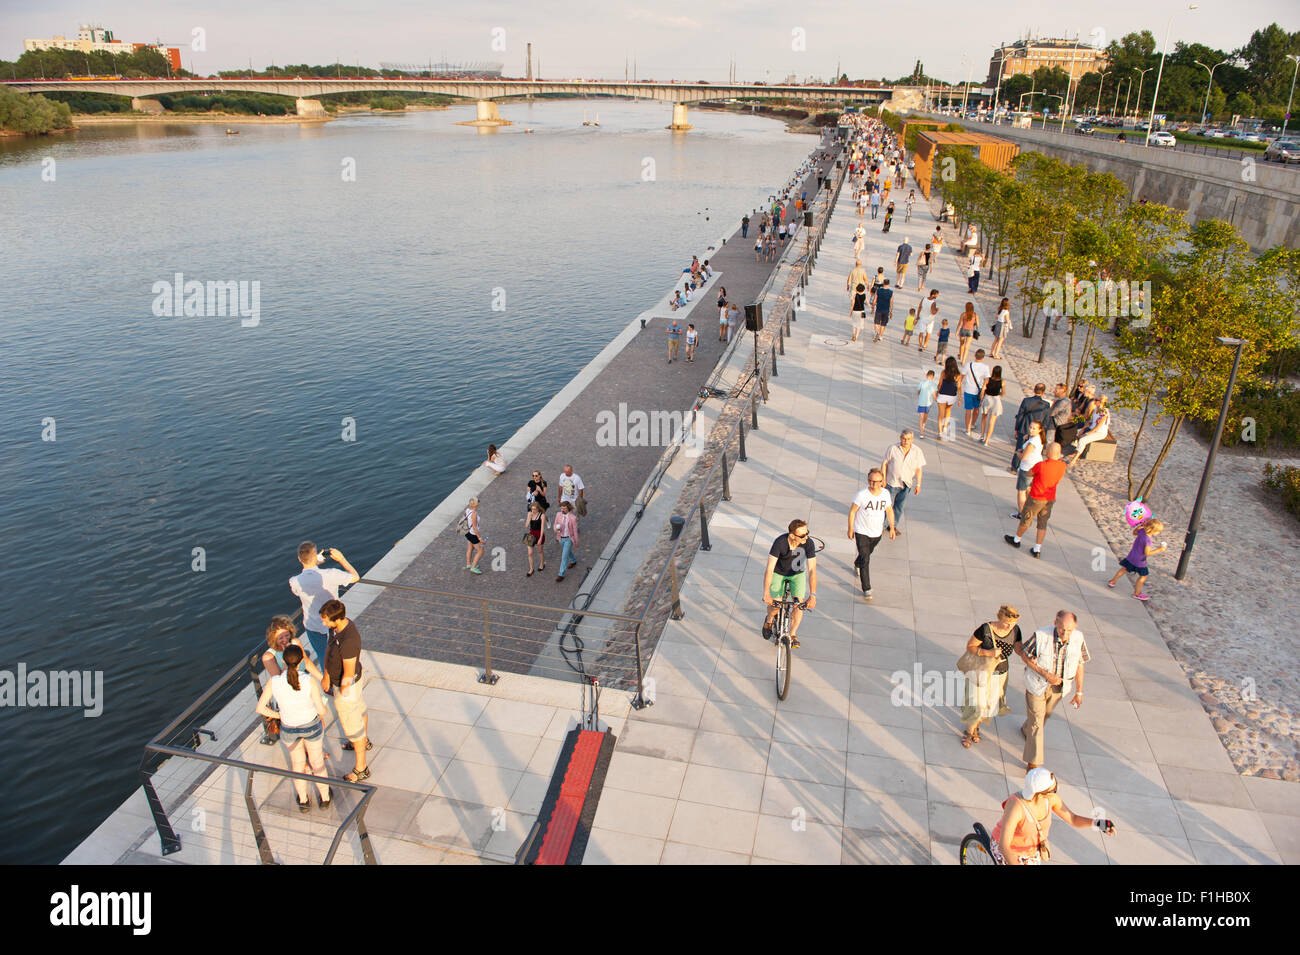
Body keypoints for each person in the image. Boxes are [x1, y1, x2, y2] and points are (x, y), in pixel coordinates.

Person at [255, 644, 333, 811]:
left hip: (289, 728)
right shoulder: (308, 680)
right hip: (311, 725)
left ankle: (304, 801)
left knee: (297, 765)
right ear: (301, 662)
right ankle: (325, 798)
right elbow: (321, 710)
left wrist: (280, 715)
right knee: (317, 762)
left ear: (283, 661)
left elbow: (260, 708)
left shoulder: (274, 682)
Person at [991, 768, 1114, 865]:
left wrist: (1099, 824)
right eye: (1054, 789)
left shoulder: (1050, 799)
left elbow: (1073, 819)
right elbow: (1004, 846)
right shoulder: (1015, 807)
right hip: (1010, 851)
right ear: (1041, 794)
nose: (1057, 789)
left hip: (1031, 851)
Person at [1015, 610, 1089, 769]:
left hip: (1059, 688)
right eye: (1062, 629)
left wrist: (1079, 692)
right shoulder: (1041, 635)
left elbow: (1080, 664)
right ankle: (1033, 764)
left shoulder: (1078, 638)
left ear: (1075, 627)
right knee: (1037, 723)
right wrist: (1045, 674)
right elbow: (1023, 654)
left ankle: (1026, 729)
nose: (1065, 633)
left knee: (1045, 715)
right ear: (1055, 623)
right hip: (1037, 684)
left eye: (1069, 630)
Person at [318, 599, 369, 781]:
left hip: (346, 686)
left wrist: (341, 696)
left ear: (337, 619)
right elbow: (329, 650)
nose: (323, 623)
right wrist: (326, 675)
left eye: (326, 620)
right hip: (340, 682)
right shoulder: (336, 629)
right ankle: (364, 740)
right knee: (359, 710)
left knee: (352, 725)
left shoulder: (349, 641)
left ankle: (361, 768)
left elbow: (348, 672)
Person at [959, 605, 1022, 748]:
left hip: (1000, 673)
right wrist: (989, 653)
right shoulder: (985, 630)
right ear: (999, 618)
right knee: (976, 703)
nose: (1009, 627)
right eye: (1007, 623)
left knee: (990, 704)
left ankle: (975, 727)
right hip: (982, 670)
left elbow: (1018, 648)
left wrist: (1030, 655)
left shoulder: (1016, 631)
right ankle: (969, 732)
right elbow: (970, 646)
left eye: (1013, 624)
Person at [289, 543, 360, 667]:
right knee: (343, 653)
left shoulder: (294, 581)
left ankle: (328, 682)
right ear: (315, 557)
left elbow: (298, 590)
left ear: (299, 559)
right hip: (334, 621)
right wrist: (341, 559)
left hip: (313, 625)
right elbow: (355, 577)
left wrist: (314, 563)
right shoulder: (331, 573)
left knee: (323, 656)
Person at [761, 519, 818, 648]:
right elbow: (769, 569)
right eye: (802, 535)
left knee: (799, 604)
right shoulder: (780, 543)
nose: (806, 537)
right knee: (775, 605)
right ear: (792, 535)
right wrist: (766, 593)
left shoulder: (808, 543)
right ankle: (769, 620)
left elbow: (812, 570)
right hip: (779, 574)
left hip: (797, 574)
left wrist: (813, 595)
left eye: (807, 533)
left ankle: (792, 634)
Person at [1004, 443, 1067, 558]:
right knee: (1042, 523)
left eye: (1047, 449)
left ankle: (1017, 540)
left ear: (1048, 452)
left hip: (1036, 498)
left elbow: (1030, 473)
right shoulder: (1062, 466)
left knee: (1026, 519)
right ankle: (1037, 548)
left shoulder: (1041, 465)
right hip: (1050, 499)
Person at [847, 469, 896, 601]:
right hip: (861, 530)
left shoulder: (885, 494)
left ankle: (857, 563)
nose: (873, 483)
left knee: (867, 554)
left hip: (876, 532)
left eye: (876, 481)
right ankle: (867, 588)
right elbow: (852, 512)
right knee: (866, 558)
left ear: (882, 482)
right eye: (870, 480)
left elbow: (889, 510)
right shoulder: (861, 495)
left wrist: (891, 527)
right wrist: (850, 528)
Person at [1108, 517, 1167, 601]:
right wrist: (1159, 550)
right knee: (1143, 576)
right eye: (1158, 531)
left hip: (1131, 556)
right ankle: (1137, 593)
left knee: (1124, 569)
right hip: (1140, 561)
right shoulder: (1148, 540)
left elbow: (1134, 532)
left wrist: (1141, 526)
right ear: (1153, 530)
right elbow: (1147, 553)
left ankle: (1112, 581)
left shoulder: (1142, 531)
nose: (1159, 533)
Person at [881, 429, 925, 531]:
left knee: (899, 506)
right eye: (904, 439)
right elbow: (885, 463)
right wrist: (883, 479)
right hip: (892, 482)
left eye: (908, 439)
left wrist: (918, 484)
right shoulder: (893, 448)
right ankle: (882, 525)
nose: (906, 441)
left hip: (906, 484)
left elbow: (919, 469)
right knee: (887, 505)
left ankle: (893, 526)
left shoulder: (917, 451)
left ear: (912, 439)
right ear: (900, 438)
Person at [1010, 383, 1052, 472]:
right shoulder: (1046, 405)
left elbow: (1020, 416)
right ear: (1043, 392)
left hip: (1025, 427)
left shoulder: (1026, 401)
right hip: (1037, 430)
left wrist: (1017, 428)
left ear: (1034, 390)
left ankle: (1014, 468)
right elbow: (1046, 421)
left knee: (1019, 448)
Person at [1011, 421, 1045, 519]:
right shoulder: (1038, 438)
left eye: (1034, 428)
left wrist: (1018, 452)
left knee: (1021, 491)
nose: (1031, 429)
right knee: (1029, 490)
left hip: (1027, 468)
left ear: (1039, 430)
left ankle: (1021, 513)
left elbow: (1023, 457)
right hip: (1036, 467)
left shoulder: (1032, 443)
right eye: (1030, 427)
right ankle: (1030, 510)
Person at [1066, 396, 1110, 465]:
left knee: (1083, 440)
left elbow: (1097, 427)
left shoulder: (1104, 413)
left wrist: (1086, 434)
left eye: (1096, 400)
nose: (1094, 401)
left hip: (1099, 432)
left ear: (1100, 402)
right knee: (1076, 432)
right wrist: (1083, 429)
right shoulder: (1096, 409)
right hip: (1092, 428)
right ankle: (1075, 452)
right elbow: (1090, 421)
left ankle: (1074, 459)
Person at [962, 348, 990, 437]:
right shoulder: (985, 367)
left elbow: (961, 375)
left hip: (968, 390)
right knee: (976, 409)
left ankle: (967, 429)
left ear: (975, 355)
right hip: (979, 392)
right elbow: (987, 380)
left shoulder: (968, 365)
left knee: (968, 410)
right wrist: (983, 390)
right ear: (983, 357)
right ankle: (973, 424)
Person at [935, 357, 962, 441]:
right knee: (948, 411)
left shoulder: (944, 372)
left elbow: (940, 384)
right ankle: (945, 427)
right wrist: (960, 398)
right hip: (952, 395)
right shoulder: (958, 375)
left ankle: (940, 433)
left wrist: (936, 393)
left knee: (940, 415)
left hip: (943, 395)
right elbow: (959, 387)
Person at [552, 500, 580, 582]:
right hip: (560, 537)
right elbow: (555, 524)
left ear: (568, 508)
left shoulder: (573, 518)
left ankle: (561, 574)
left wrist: (576, 542)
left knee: (564, 556)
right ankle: (573, 560)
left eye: (564, 508)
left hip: (568, 539)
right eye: (561, 508)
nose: (562, 510)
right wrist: (556, 529)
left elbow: (575, 531)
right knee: (567, 552)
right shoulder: (558, 514)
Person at [979, 365, 1004, 445]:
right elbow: (1003, 394)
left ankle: (982, 435)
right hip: (996, 400)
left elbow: (983, 390)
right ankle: (987, 440)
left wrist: (981, 400)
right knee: (992, 422)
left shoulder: (987, 379)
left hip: (987, 398)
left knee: (984, 418)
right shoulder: (1002, 382)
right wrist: (998, 392)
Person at [524, 501, 547, 576]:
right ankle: (531, 569)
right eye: (532, 509)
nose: (533, 510)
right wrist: (529, 517)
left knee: (540, 551)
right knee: (529, 553)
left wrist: (540, 538)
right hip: (531, 534)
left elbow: (542, 528)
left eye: (534, 509)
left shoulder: (542, 515)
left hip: (539, 534)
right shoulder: (530, 514)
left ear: (538, 508)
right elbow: (526, 525)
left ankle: (542, 564)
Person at [1046, 383, 1073, 448]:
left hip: (1056, 424)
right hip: (1055, 423)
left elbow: (1052, 412)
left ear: (1062, 390)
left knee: (1049, 441)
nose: (1054, 391)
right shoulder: (1061, 400)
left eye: (1056, 389)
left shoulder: (1064, 402)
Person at [463, 497, 485, 574]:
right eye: (478, 501)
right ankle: (473, 567)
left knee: (470, 548)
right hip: (473, 534)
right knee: (481, 550)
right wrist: (480, 538)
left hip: (467, 532)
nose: (479, 501)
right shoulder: (474, 514)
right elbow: (475, 528)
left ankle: (468, 564)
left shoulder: (467, 510)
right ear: (476, 504)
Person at [916, 370, 938, 439]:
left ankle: (921, 432)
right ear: (933, 377)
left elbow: (918, 391)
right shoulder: (934, 384)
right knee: (925, 416)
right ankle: (923, 426)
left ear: (926, 375)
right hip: (928, 403)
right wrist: (937, 401)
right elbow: (934, 395)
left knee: (921, 417)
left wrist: (920, 394)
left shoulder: (922, 382)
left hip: (921, 402)